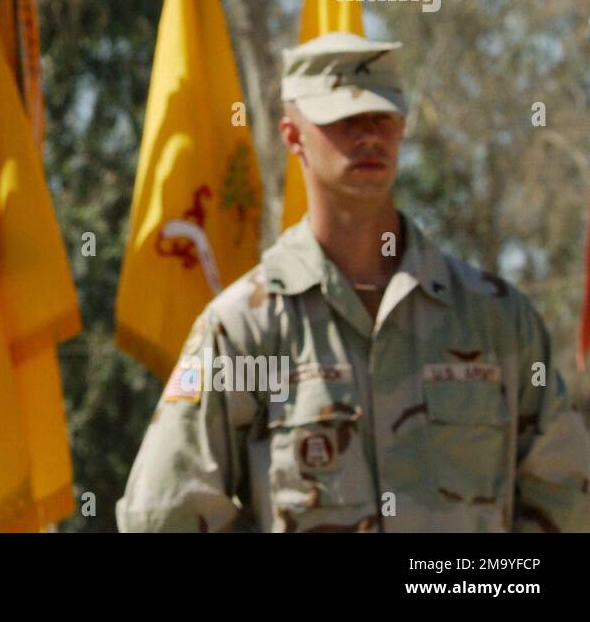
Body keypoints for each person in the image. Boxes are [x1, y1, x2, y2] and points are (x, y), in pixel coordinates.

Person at [117, 32, 590, 532]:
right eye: (343, 119)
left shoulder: (495, 321)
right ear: (293, 135)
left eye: (382, 115)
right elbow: (161, 516)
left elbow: (568, 497)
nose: (368, 135)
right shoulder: (245, 330)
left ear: (403, 126)